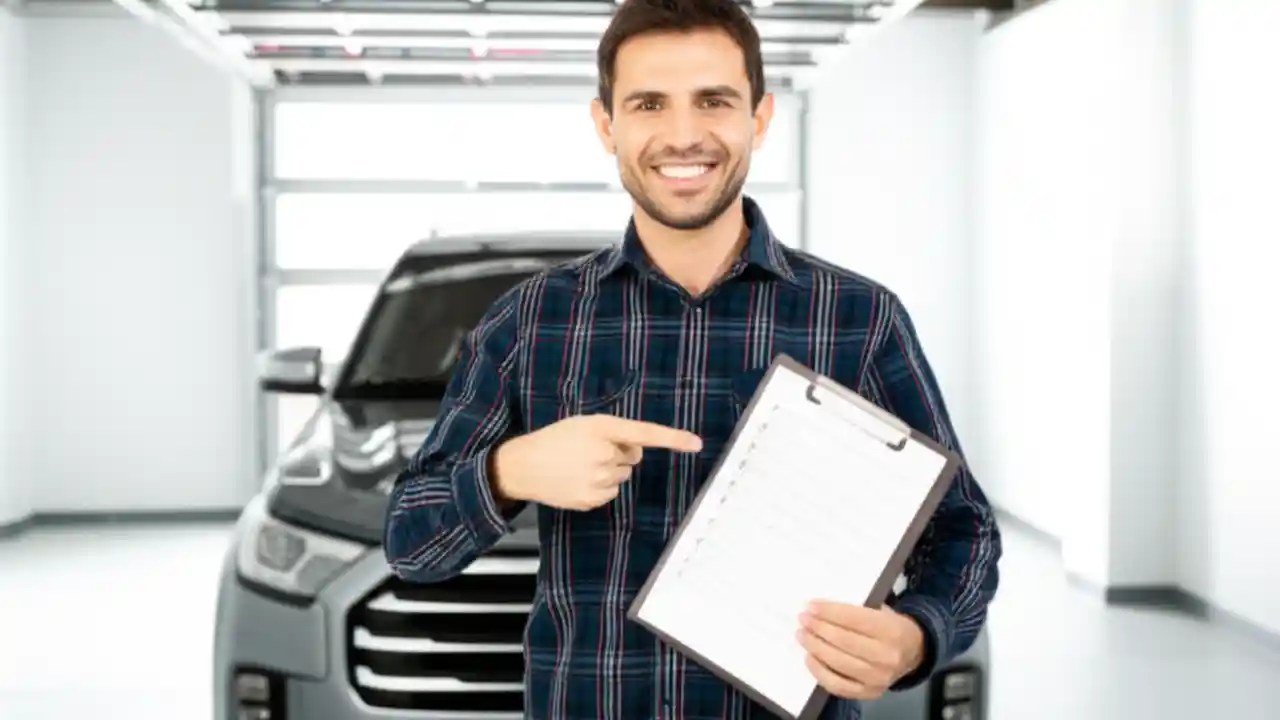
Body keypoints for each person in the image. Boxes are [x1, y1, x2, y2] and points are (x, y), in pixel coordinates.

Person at [383, 0, 1002, 717]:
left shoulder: (859, 321)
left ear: (759, 119)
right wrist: (511, 470)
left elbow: (963, 529)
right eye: (649, 104)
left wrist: (915, 636)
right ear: (606, 125)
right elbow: (410, 543)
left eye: (714, 101)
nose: (683, 136)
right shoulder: (531, 322)